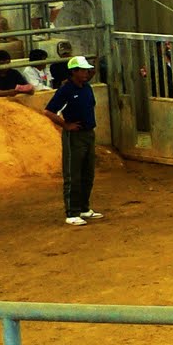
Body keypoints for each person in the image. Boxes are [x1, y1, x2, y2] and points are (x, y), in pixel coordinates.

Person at [45, 55, 101, 226]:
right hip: (75, 136)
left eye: (87, 70)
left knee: (87, 173)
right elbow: (49, 111)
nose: (86, 73)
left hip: (88, 133)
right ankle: (72, 212)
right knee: (73, 173)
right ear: (74, 72)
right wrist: (66, 125)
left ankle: (84, 207)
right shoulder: (66, 90)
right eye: (83, 70)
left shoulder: (86, 87)